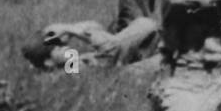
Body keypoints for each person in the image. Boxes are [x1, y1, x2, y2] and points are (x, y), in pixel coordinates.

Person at [21, 17, 159, 72]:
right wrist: (71, 29)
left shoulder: (56, 65)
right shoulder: (73, 69)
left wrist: (71, 28)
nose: (63, 44)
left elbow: (99, 27)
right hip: (124, 69)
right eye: (57, 47)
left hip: (120, 58)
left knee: (147, 26)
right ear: (48, 62)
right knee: (148, 26)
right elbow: (112, 49)